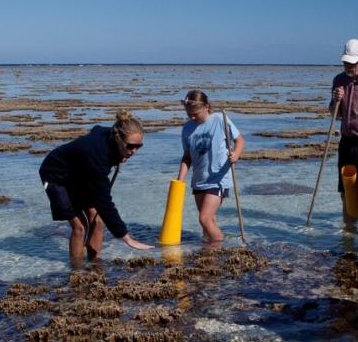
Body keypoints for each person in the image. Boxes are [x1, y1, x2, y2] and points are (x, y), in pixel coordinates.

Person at [39, 111, 154, 265]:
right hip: (55, 175)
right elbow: (104, 200)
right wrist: (126, 237)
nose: (134, 151)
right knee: (80, 227)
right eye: (130, 146)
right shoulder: (97, 155)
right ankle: (77, 272)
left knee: (98, 220)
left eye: (138, 146)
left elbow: (97, 129)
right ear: (118, 138)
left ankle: (95, 266)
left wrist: (119, 155)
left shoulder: (112, 135)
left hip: (80, 174)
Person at [177, 90, 245, 244]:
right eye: (189, 114)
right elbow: (187, 157)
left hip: (218, 178)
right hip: (199, 180)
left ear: (207, 107)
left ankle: (218, 248)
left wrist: (236, 154)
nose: (192, 117)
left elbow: (239, 140)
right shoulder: (187, 128)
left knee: (204, 219)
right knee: (209, 221)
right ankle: (209, 254)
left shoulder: (220, 119)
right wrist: (180, 179)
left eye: (196, 114)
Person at [330, 39, 358, 226]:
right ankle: (349, 233)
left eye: (352, 63)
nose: (348, 66)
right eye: (345, 62)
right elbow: (334, 114)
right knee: (345, 190)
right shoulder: (339, 80)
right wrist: (335, 100)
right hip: (346, 142)